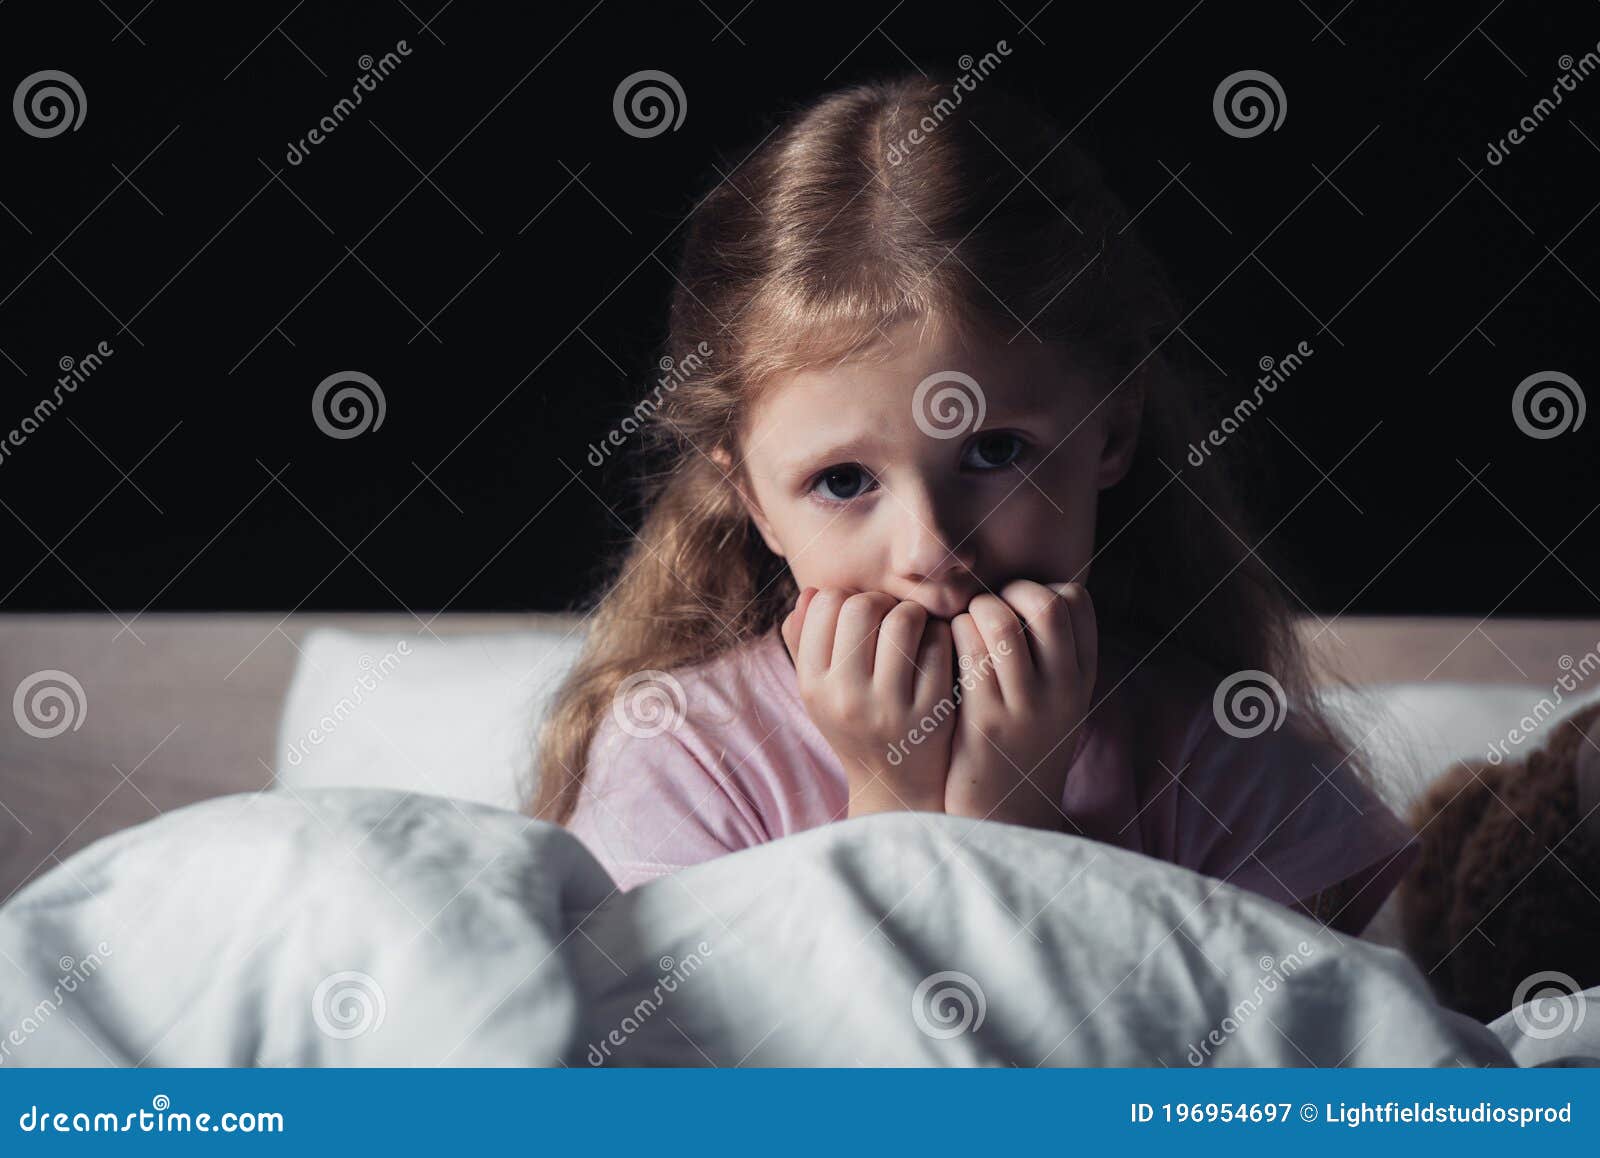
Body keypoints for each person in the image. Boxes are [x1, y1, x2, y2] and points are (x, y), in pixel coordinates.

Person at [525, 75, 1415, 935]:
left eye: (995, 452)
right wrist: (892, 807)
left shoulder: (1231, 754)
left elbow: (1251, 1069)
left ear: (1111, 434)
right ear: (749, 495)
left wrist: (1012, 825)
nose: (933, 549)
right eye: (843, 481)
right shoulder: (684, 756)